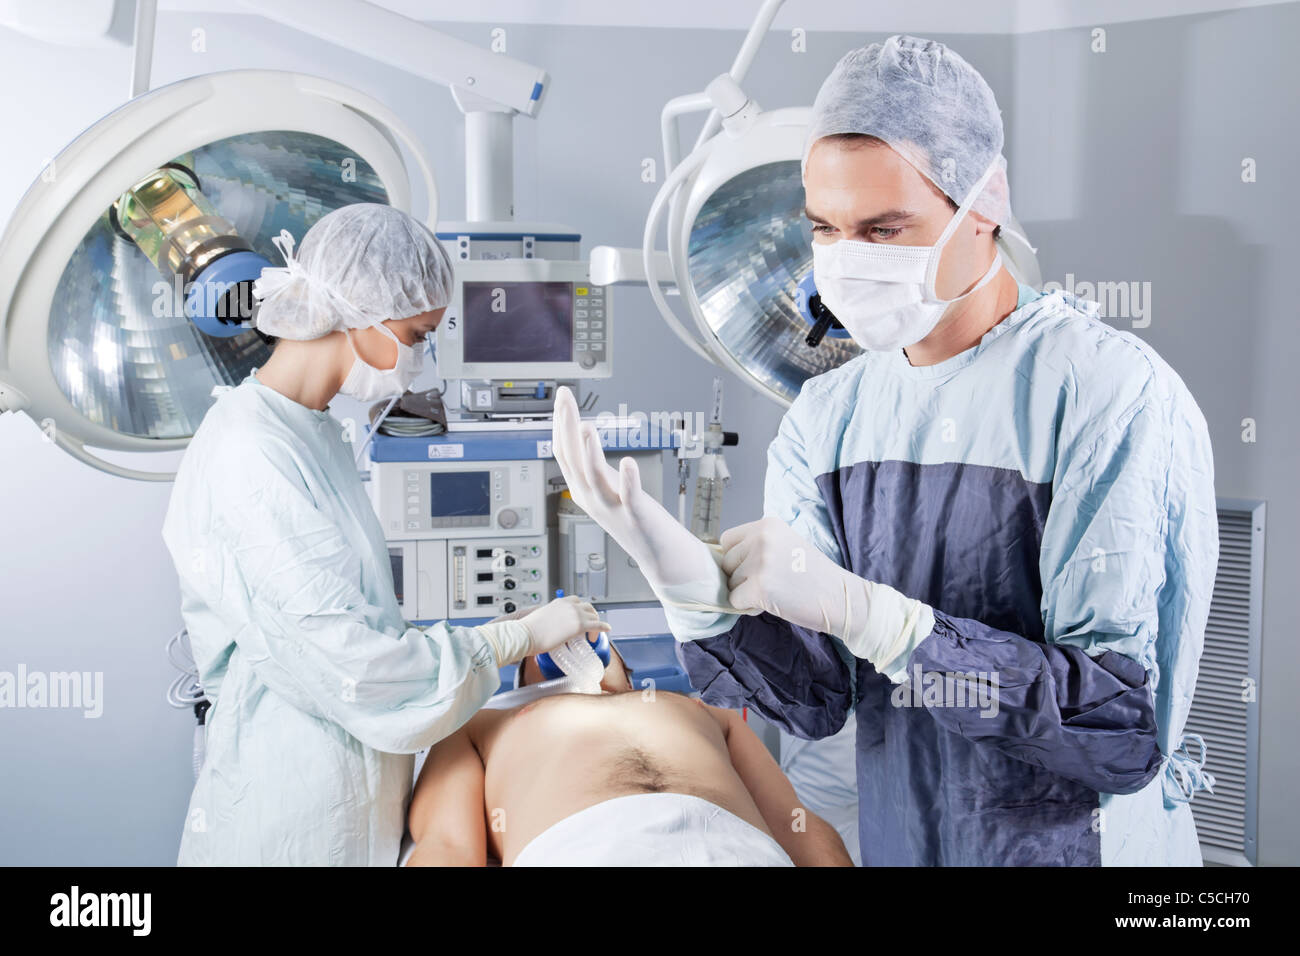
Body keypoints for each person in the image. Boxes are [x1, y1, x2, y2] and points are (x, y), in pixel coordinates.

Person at [551, 36, 1218, 866]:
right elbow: (819, 698)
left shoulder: (1102, 395)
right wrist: (703, 605)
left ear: (985, 204)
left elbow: (1111, 733)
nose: (848, 260)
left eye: (885, 227)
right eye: (825, 228)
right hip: (905, 839)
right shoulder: (827, 418)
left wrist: (885, 623)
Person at [163, 203, 607, 866]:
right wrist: (515, 638)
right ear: (353, 313)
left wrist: (511, 643)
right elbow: (360, 669)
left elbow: (360, 626)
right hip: (285, 823)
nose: (421, 355)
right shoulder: (249, 457)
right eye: (417, 332)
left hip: (355, 805)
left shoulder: (316, 434)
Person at [404, 640, 853, 866]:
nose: (569, 637)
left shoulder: (704, 711)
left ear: (623, 662)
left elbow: (796, 822)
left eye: (588, 628)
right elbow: (449, 846)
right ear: (524, 674)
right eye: (547, 633)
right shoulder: (482, 724)